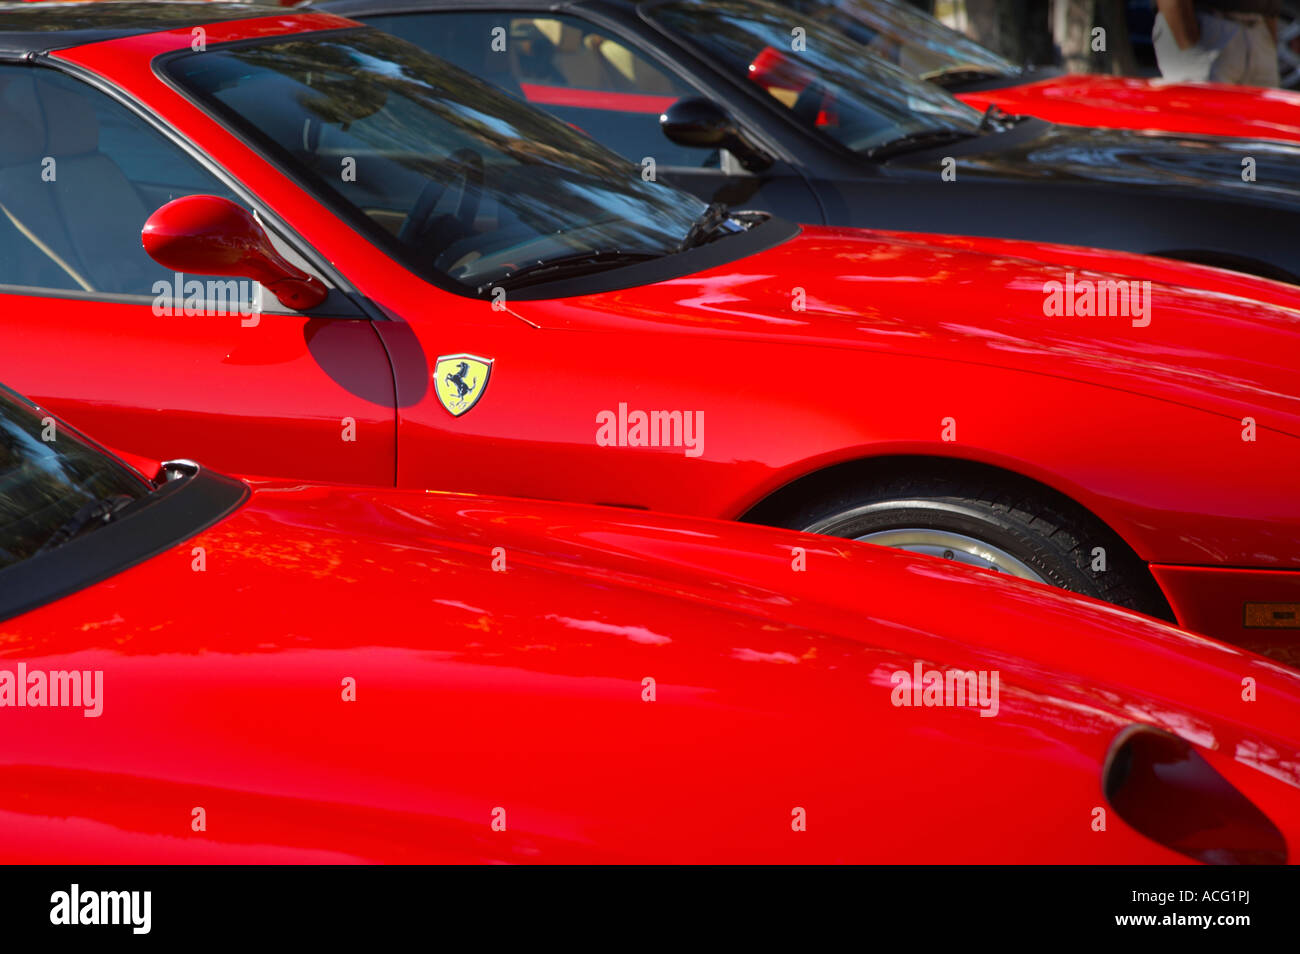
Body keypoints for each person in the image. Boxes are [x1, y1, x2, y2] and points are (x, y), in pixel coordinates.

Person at [1153, 0, 1281, 85]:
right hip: (1208, 25)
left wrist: (1270, 36)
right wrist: (1189, 46)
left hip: (1257, 27)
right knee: (1199, 120)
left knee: (1262, 120)